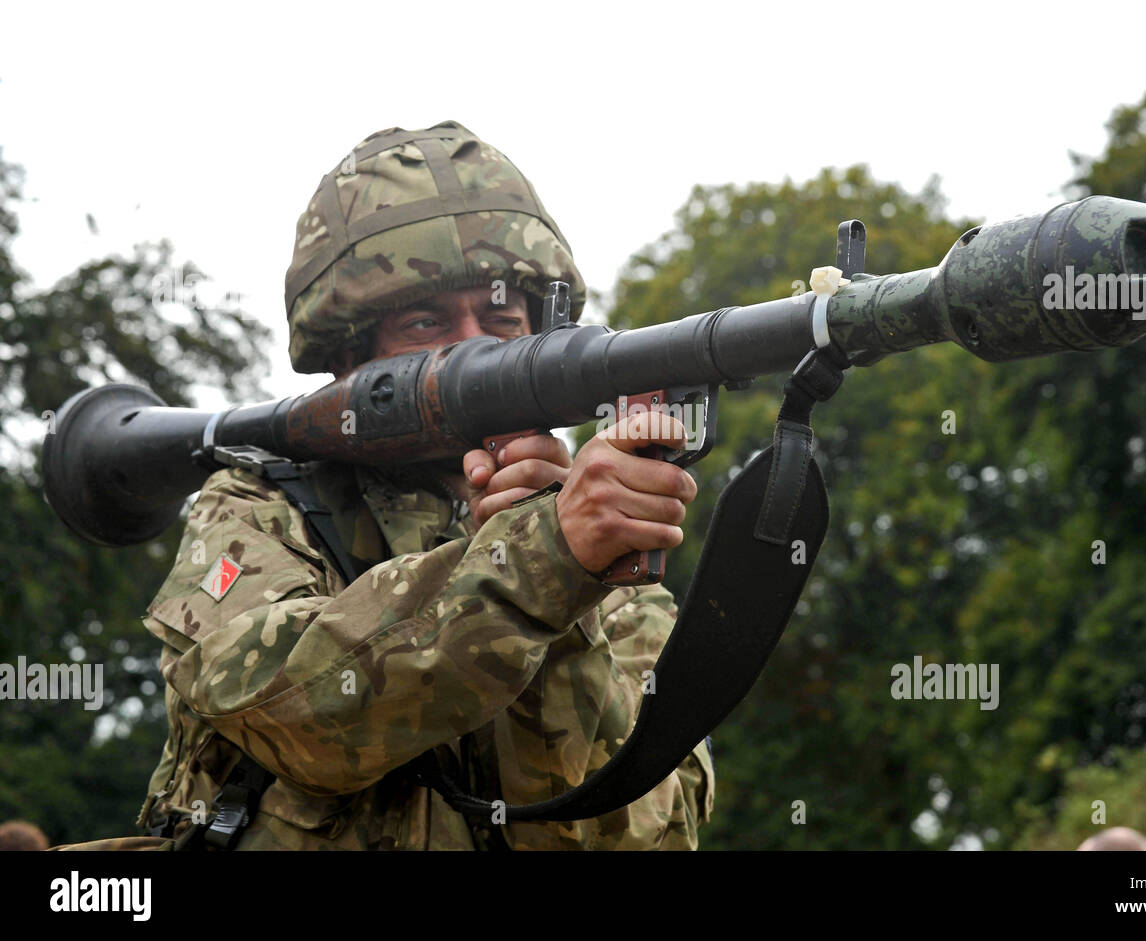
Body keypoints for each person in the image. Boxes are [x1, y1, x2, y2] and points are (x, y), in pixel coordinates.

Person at [128, 121, 714, 850]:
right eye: (426, 320)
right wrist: (530, 566)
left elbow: (640, 836)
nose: (471, 341)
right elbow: (290, 715)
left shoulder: (606, 554)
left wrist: (568, 585)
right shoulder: (260, 505)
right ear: (351, 356)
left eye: (500, 317)